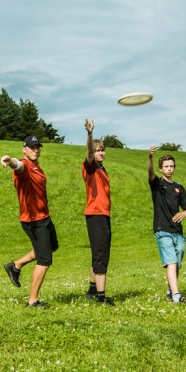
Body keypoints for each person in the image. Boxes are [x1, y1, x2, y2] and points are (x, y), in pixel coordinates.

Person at [0, 135, 58, 307]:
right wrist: (8, 159)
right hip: (33, 220)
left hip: (44, 217)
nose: (36, 150)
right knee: (44, 259)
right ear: (24, 149)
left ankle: (15, 266)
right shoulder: (24, 167)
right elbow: (18, 166)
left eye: (38, 147)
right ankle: (32, 300)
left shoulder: (36, 167)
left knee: (52, 246)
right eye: (32, 147)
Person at [147, 146, 186, 304]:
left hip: (177, 231)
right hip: (162, 230)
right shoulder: (157, 184)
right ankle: (176, 296)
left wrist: (185, 213)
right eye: (166, 166)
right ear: (161, 169)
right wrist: (150, 158)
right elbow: (150, 172)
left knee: (177, 259)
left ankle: (170, 289)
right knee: (171, 261)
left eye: (171, 166)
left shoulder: (179, 188)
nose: (169, 169)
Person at [82, 120, 114, 305]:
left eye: (102, 149)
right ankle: (101, 298)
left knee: (98, 253)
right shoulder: (91, 167)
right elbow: (88, 153)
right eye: (97, 150)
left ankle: (92, 290)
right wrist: (89, 135)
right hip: (96, 214)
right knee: (101, 255)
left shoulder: (102, 169)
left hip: (103, 215)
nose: (100, 152)